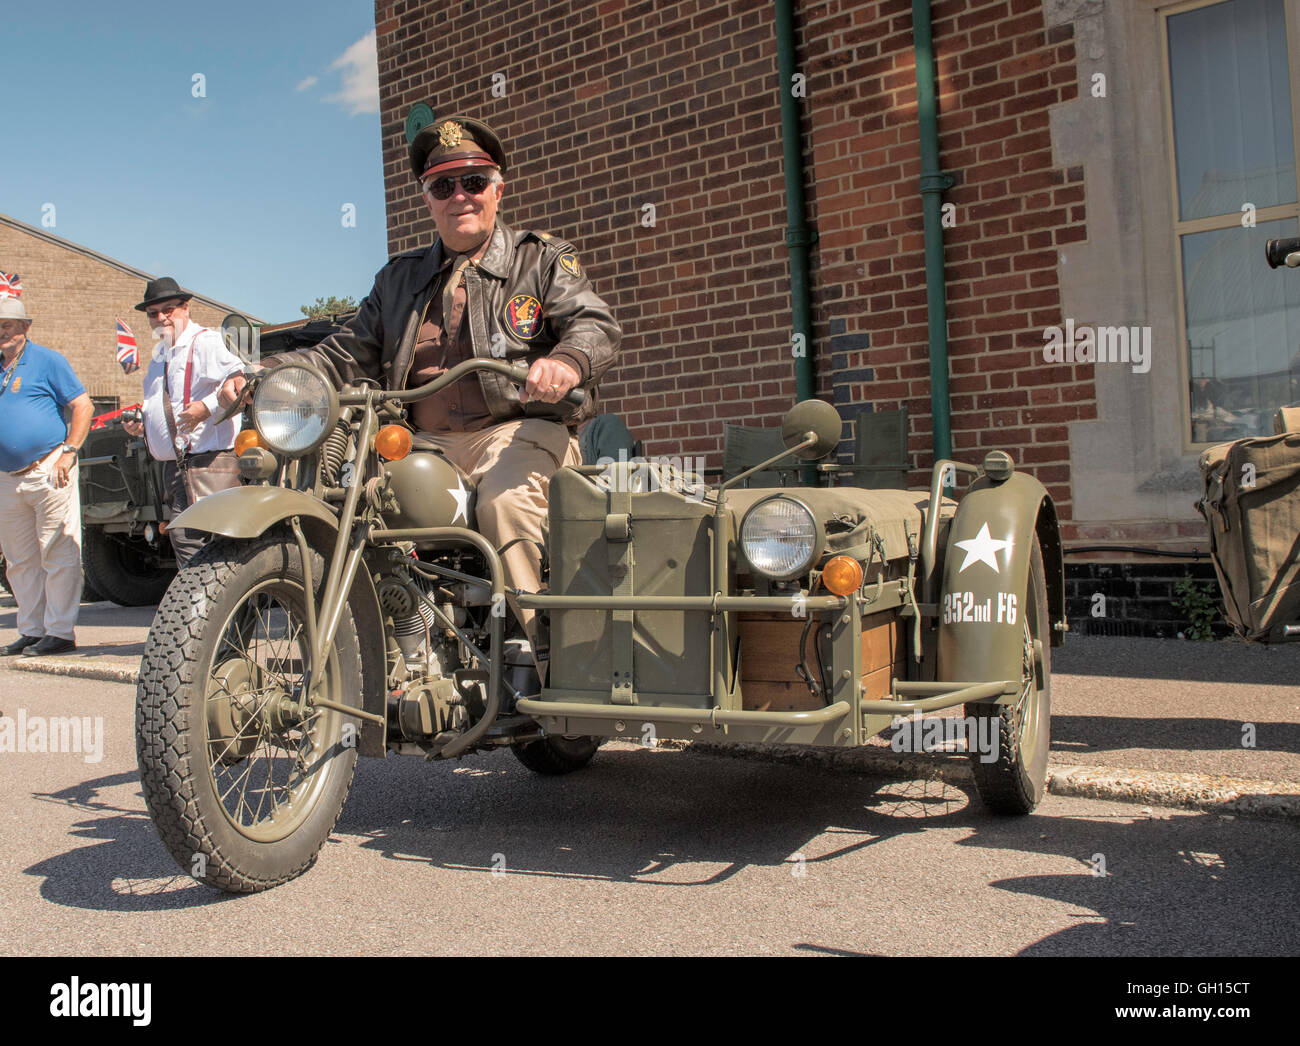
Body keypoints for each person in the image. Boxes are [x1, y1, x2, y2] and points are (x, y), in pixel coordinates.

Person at [272, 114, 621, 681]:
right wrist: (272, 372)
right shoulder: (399, 281)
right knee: (351, 503)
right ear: (428, 200)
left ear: (498, 188)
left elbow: (594, 323)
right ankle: (391, 649)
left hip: (518, 431)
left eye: (474, 182)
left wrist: (566, 361)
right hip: (421, 442)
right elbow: (344, 353)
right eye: (443, 186)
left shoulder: (542, 260)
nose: (460, 195)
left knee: (503, 506)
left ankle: (551, 662)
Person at [122, 277, 245, 567]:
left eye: (169, 309)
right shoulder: (160, 357)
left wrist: (207, 406)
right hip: (178, 470)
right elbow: (163, 407)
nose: (161, 317)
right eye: (153, 313)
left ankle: (212, 611)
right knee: (198, 551)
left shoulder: (206, 341)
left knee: (204, 549)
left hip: (208, 464)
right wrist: (143, 427)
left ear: (186, 308)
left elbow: (242, 383)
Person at [0, 297, 94, 656]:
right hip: (7, 477)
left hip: (48, 466)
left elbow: (82, 404)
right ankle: (32, 629)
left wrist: (69, 451)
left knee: (57, 551)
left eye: (8, 325)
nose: (2, 332)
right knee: (20, 560)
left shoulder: (47, 360)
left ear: (25, 328)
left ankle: (60, 632)